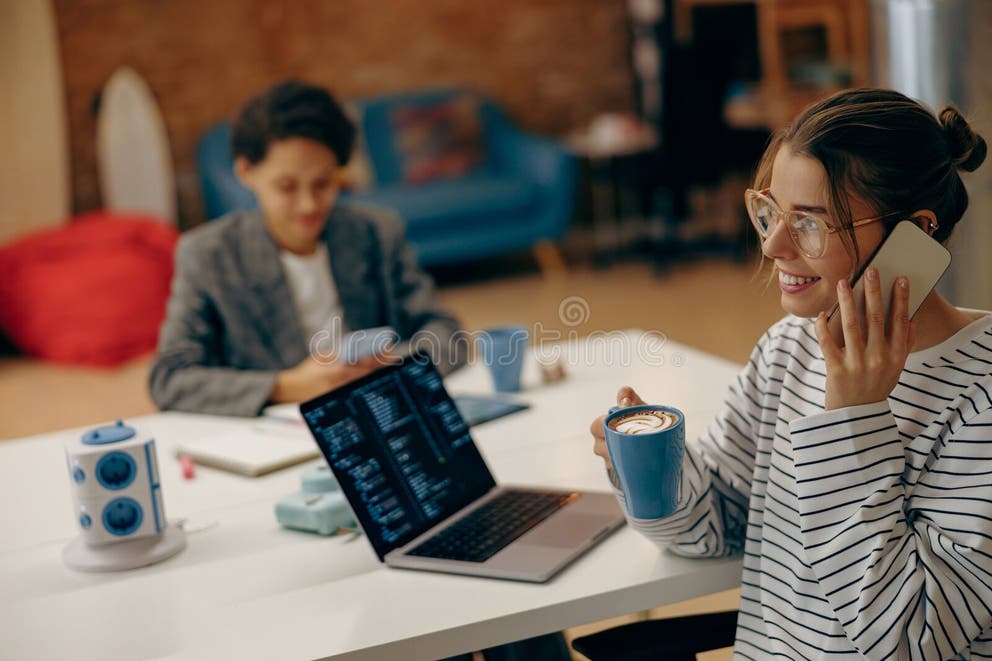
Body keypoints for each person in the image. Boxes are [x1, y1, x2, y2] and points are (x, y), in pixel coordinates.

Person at [589, 88, 991, 659]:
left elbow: (911, 640)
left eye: (809, 224)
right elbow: (715, 524)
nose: (774, 246)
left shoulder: (981, 397)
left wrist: (853, 419)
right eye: (771, 212)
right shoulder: (788, 350)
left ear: (917, 233)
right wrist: (648, 471)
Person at [149, 80, 466, 416]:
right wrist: (286, 385)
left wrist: (388, 366)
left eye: (323, 184)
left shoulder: (375, 232)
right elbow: (169, 378)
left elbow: (448, 334)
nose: (308, 205)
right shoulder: (208, 255)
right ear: (246, 172)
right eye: (286, 187)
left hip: (379, 414)